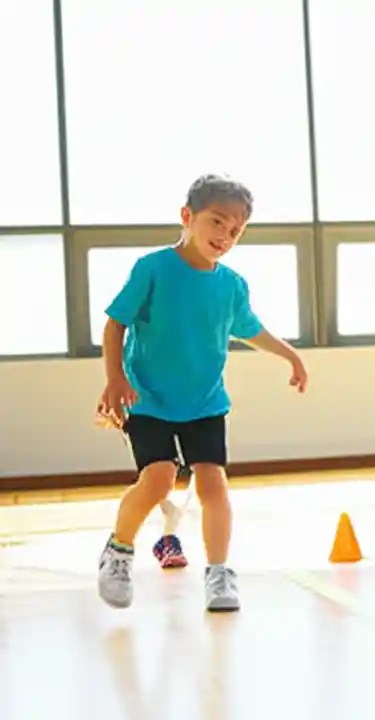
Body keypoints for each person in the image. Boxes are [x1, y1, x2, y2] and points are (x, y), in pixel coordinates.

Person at [96, 174, 308, 612]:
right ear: (187, 217)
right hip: (148, 398)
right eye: (216, 223)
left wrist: (292, 356)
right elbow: (116, 322)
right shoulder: (152, 268)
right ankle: (119, 550)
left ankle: (218, 573)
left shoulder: (231, 284)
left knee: (214, 484)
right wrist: (115, 378)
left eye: (235, 231)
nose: (224, 236)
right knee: (156, 480)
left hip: (205, 401)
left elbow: (251, 329)